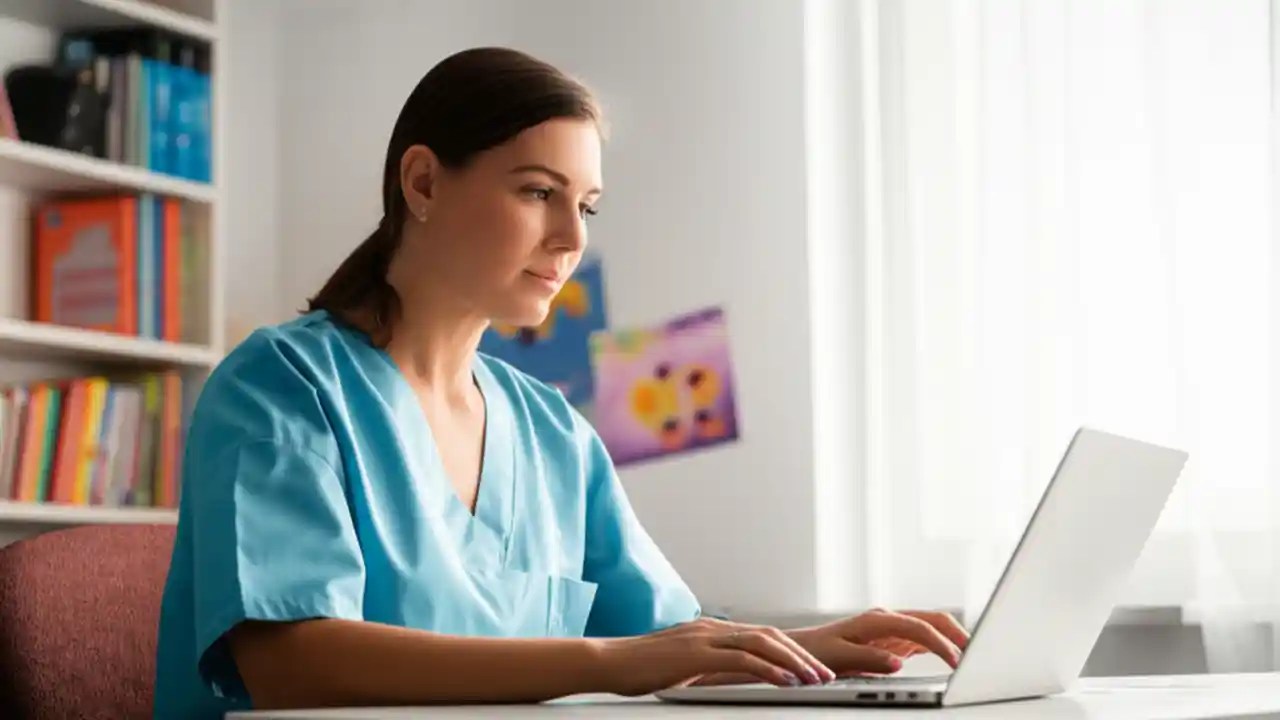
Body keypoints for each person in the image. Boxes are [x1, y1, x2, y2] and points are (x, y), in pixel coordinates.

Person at [151, 46, 969, 719]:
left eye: (588, 206)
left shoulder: (552, 431)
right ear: (423, 182)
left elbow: (666, 639)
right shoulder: (281, 387)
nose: (572, 237)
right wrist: (604, 663)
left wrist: (818, 646)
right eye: (539, 192)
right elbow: (292, 665)